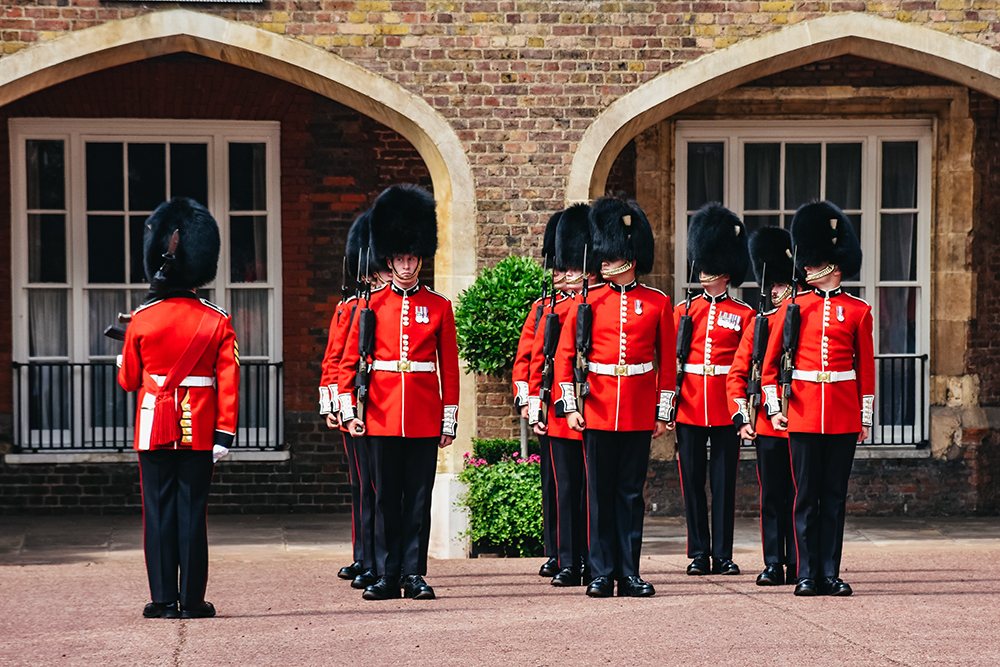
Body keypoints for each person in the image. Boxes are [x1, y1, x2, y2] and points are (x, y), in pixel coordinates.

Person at [118, 197, 239, 619]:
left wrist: (124, 355)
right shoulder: (217, 319)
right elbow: (229, 382)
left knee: (157, 514)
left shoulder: (143, 318)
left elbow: (130, 382)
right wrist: (224, 433)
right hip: (200, 428)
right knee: (193, 514)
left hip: (153, 426)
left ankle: (161, 599)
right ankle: (192, 600)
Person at [339, 184, 460, 601]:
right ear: (389, 259)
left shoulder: (440, 307)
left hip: (425, 416)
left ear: (419, 257)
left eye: (412, 257)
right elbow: (350, 363)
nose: (406, 265)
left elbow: (449, 368)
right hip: (380, 414)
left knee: (418, 501)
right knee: (386, 498)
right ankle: (388, 574)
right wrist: (350, 410)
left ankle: (414, 574)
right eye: (400, 258)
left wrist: (448, 419)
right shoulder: (368, 305)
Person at [555, 194, 676, 598]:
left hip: (639, 411)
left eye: (610, 254)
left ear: (630, 255)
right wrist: (571, 407)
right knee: (598, 494)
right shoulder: (586, 301)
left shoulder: (657, 303)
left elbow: (667, 366)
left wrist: (663, 413)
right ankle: (602, 572)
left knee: (630, 495)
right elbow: (565, 358)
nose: (602, 262)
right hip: (598, 409)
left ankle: (629, 571)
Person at [763, 200, 875, 597]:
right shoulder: (793, 308)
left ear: (834, 263)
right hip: (805, 413)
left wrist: (865, 418)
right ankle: (807, 572)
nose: (807, 268)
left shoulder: (859, 311)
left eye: (814, 261)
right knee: (806, 496)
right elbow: (770, 367)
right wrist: (776, 410)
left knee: (835, 498)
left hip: (843, 415)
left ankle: (830, 571)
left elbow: (866, 370)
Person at [674, 202, 754, 577]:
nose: (704, 272)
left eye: (711, 267)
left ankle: (722, 553)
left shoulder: (744, 314)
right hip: (690, 403)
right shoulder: (684, 311)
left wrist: (743, 410)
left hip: (724, 406)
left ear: (726, 271)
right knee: (691, 482)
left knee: (723, 483)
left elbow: (745, 366)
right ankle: (698, 552)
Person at [529, 203, 600, 586]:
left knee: (593, 490)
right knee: (566, 488)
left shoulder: (596, 306)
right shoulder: (550, 309)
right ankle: (568, 558)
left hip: (597, 409)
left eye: (574, 267)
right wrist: (535, 403)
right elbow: (536, 359)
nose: (567, 274)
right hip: (561, 411)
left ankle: (593, 559)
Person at [726, 226, 798, 586]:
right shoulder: (761, 325)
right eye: (773, 287)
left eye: (782, 286)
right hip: (770, 427)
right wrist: (743, 417)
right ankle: (774, 562)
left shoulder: (806, 320)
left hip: (802, 423)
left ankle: (799, 564)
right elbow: (738, 373)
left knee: (799, 499)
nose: (776, 292)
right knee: (771, 497)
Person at [318, 209, 383, 590]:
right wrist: (333, 406)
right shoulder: (350, 308)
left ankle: (375, 557)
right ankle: (363, 554)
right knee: (360, 484)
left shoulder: (374, 308)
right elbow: (334, 358)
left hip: (377, 404)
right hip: (353, 405)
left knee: (375, 486)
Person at [512, 212, 563, 579]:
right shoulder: (540, 308)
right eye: (557, 268)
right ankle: (556, 548)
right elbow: (526, 359)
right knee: (554, 483)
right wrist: (532, 405)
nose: (559, 274)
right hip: (549, 406)